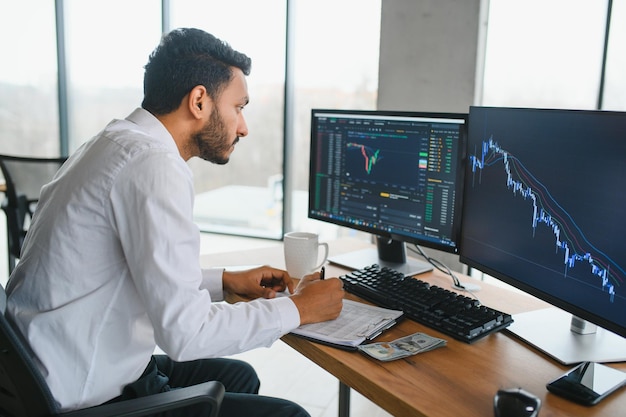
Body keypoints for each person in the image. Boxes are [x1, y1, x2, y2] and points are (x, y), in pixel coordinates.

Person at [5, 28, 344, 417]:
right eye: (239, 107)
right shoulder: (154, 167)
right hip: (82, 393)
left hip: (48, 364)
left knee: (239, 378)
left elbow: (137, 270)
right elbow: (187, 334)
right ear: (199, 100)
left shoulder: (113, 143)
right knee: (290, 414)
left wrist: (225, 281)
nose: (243, 127)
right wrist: (300, 309)